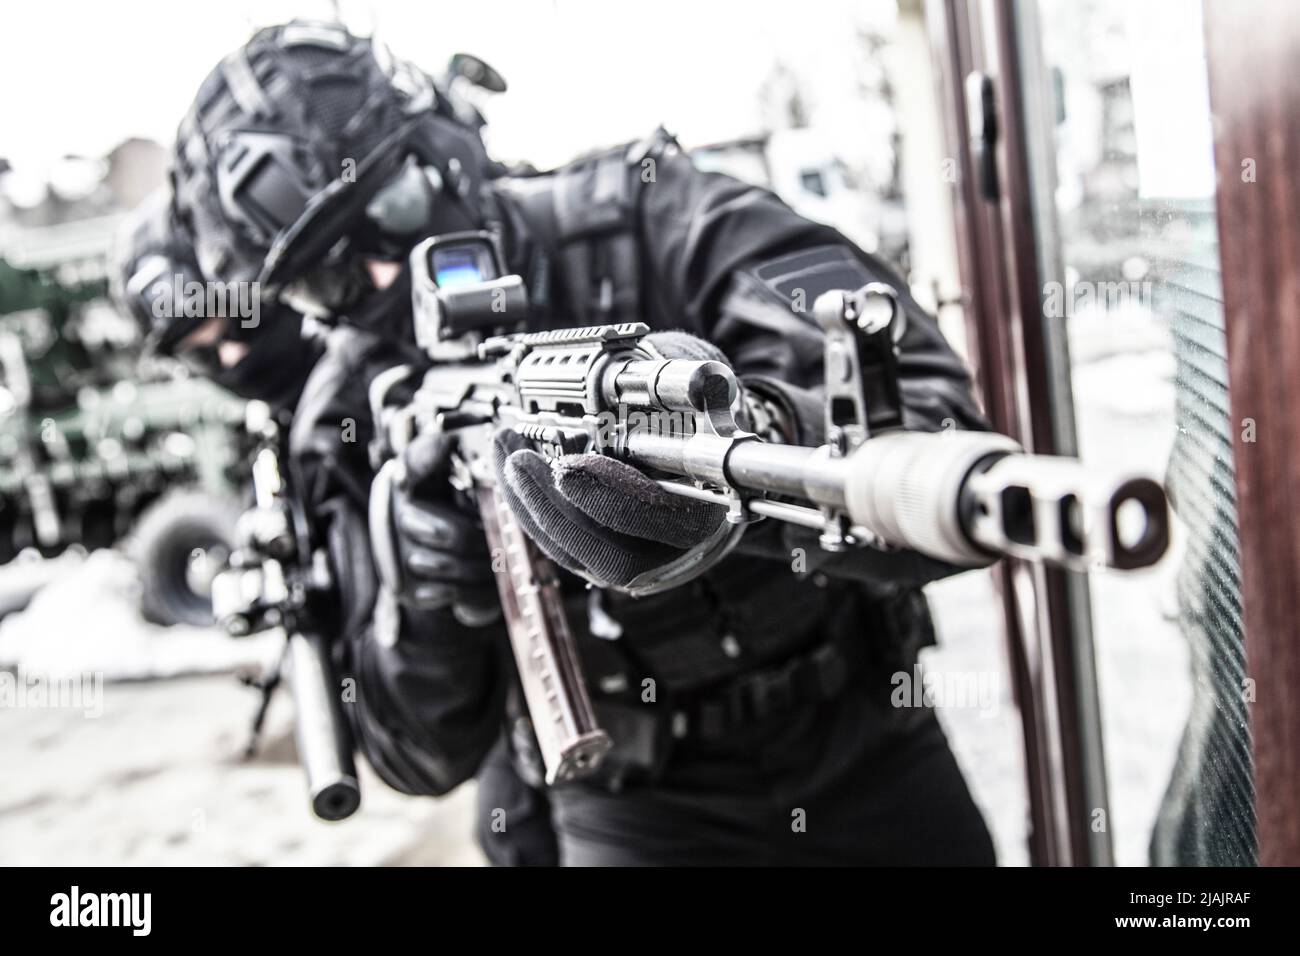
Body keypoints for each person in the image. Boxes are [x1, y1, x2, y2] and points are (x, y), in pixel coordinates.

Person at [167, 19, 996, 865]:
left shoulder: (660, 211)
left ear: (446, 144)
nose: (382, 275)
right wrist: (427, 599)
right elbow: (415, 755)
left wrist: (762, 437)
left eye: (392, 203)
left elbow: (942, 427)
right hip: (627, 803)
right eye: (329, 274)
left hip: (863, 741)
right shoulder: (340, 421)